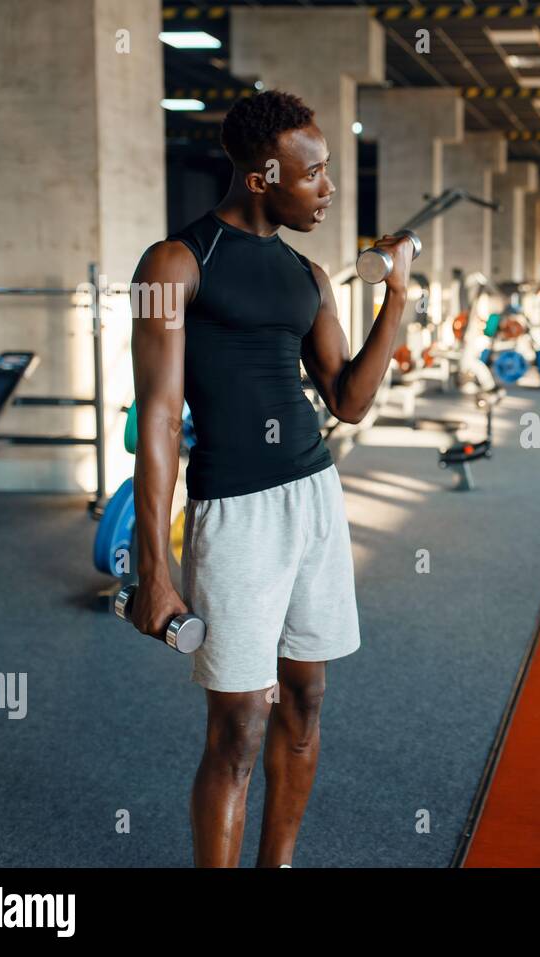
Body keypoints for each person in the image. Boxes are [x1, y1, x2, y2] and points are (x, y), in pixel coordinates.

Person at [128, 90, 412, 867]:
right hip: (235, 513)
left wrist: (399, 300)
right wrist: (153, 568)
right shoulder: (174, 263)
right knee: (240, 726)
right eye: (313, 175)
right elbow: (157, 418)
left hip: (314, 495)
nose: (325, 190)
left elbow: (349, 400)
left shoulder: (309, 275)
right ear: (261, 178)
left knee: (307, 699)